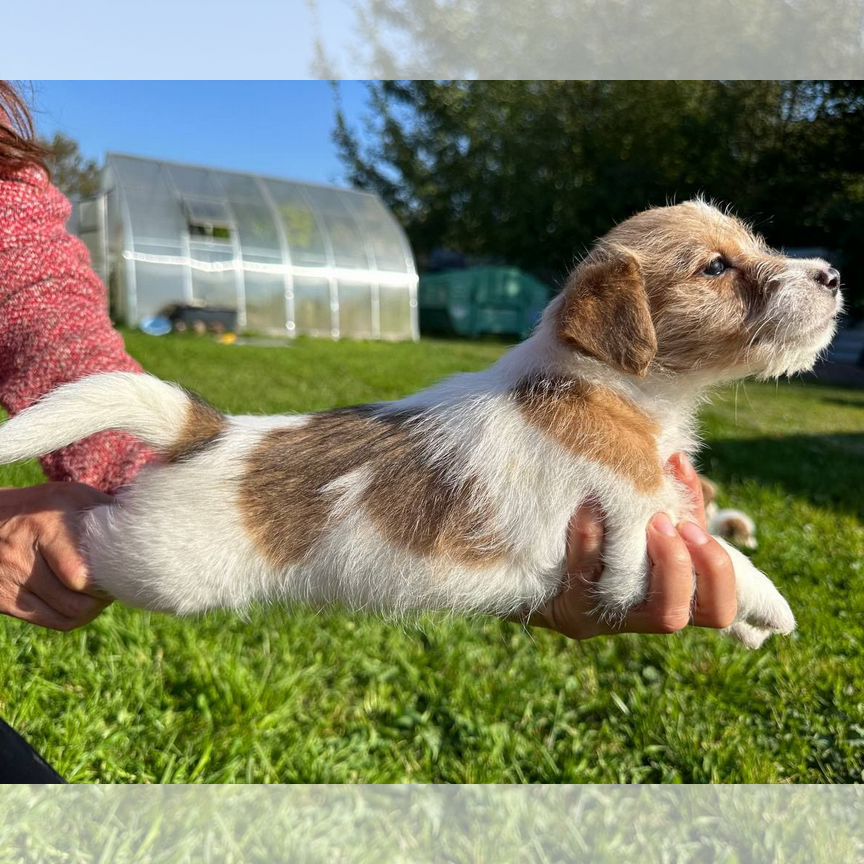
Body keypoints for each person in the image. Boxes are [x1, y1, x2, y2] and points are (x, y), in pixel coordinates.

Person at [0, 79, 736, 778]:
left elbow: (35, 307)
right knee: (178, 581)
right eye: (718, 271)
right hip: (222, 507)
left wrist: (135, 474)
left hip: (210, 468)